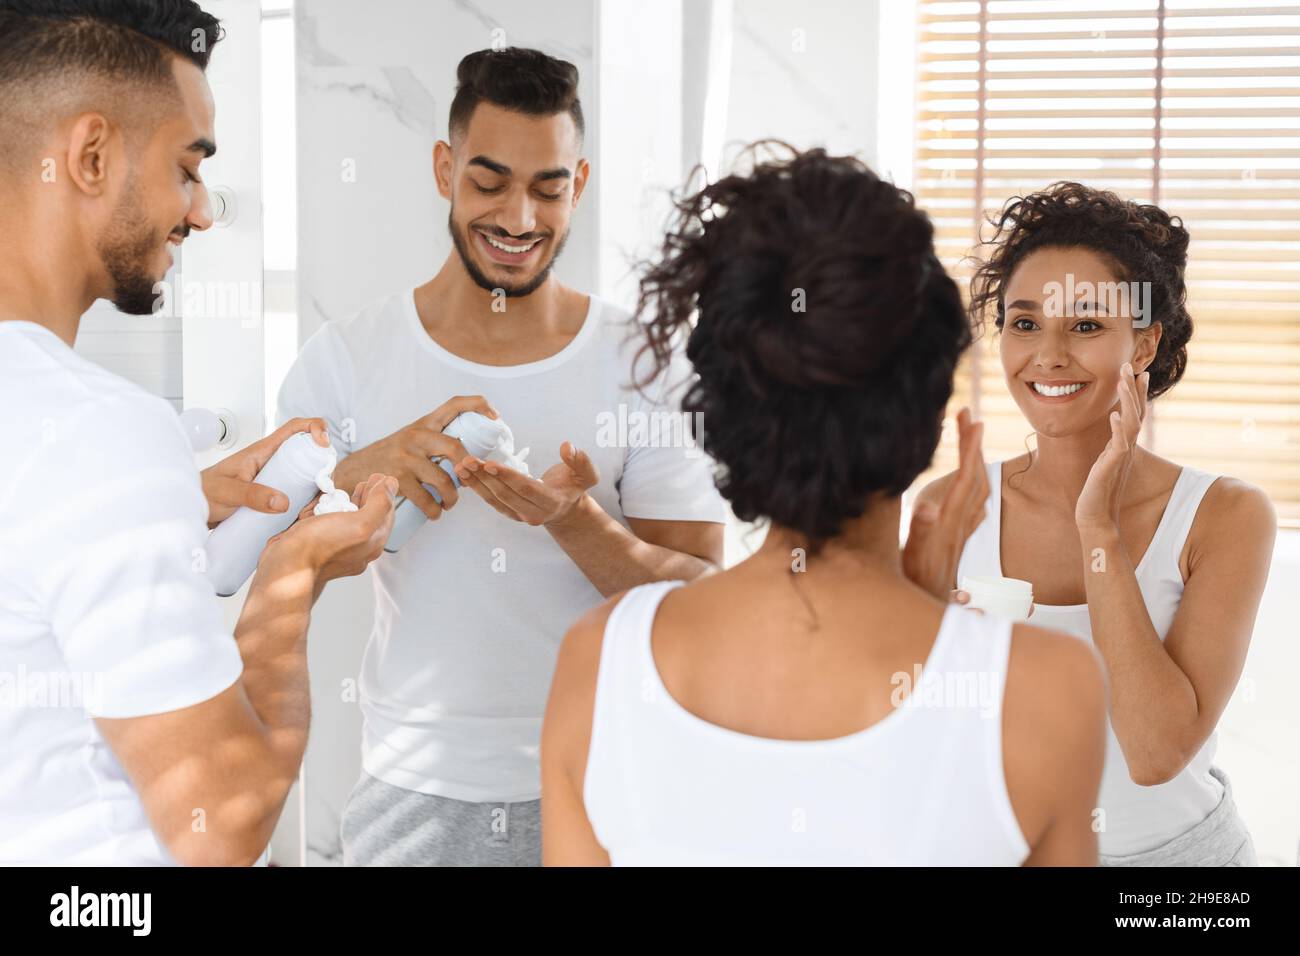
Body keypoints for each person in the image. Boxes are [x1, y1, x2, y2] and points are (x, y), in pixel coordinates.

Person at [540, 145, 1108, 866]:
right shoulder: (1045, 692)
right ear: (937, 420)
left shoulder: (598, 663)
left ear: (721, 416)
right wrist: (923, 609)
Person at [276, 47, 727, 867]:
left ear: (579, 184)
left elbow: (702, 600)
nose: (519, 218)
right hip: (410, 796)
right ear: (445, 168)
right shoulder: (347, 357)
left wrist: (576, 522)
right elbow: (271, 563)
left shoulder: (647, 362)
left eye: (548, 188)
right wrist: (355, 473)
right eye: (489, 183)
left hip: (605, 786)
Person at [0, 0, 396, 866]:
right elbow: (224, 824)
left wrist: (163, 500)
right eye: (187, 168)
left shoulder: (69, 440)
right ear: (90, 155)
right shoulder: (96, 433)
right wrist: (294, 575)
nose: (204, 212)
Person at [931, 182, 1276, 865]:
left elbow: (1154, 755)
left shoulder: (1225, 516)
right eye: (1024, 323)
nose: (1048, 356)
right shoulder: (950, 507)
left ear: (1143, 345)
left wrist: (1100, 533)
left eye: (1086, 325)